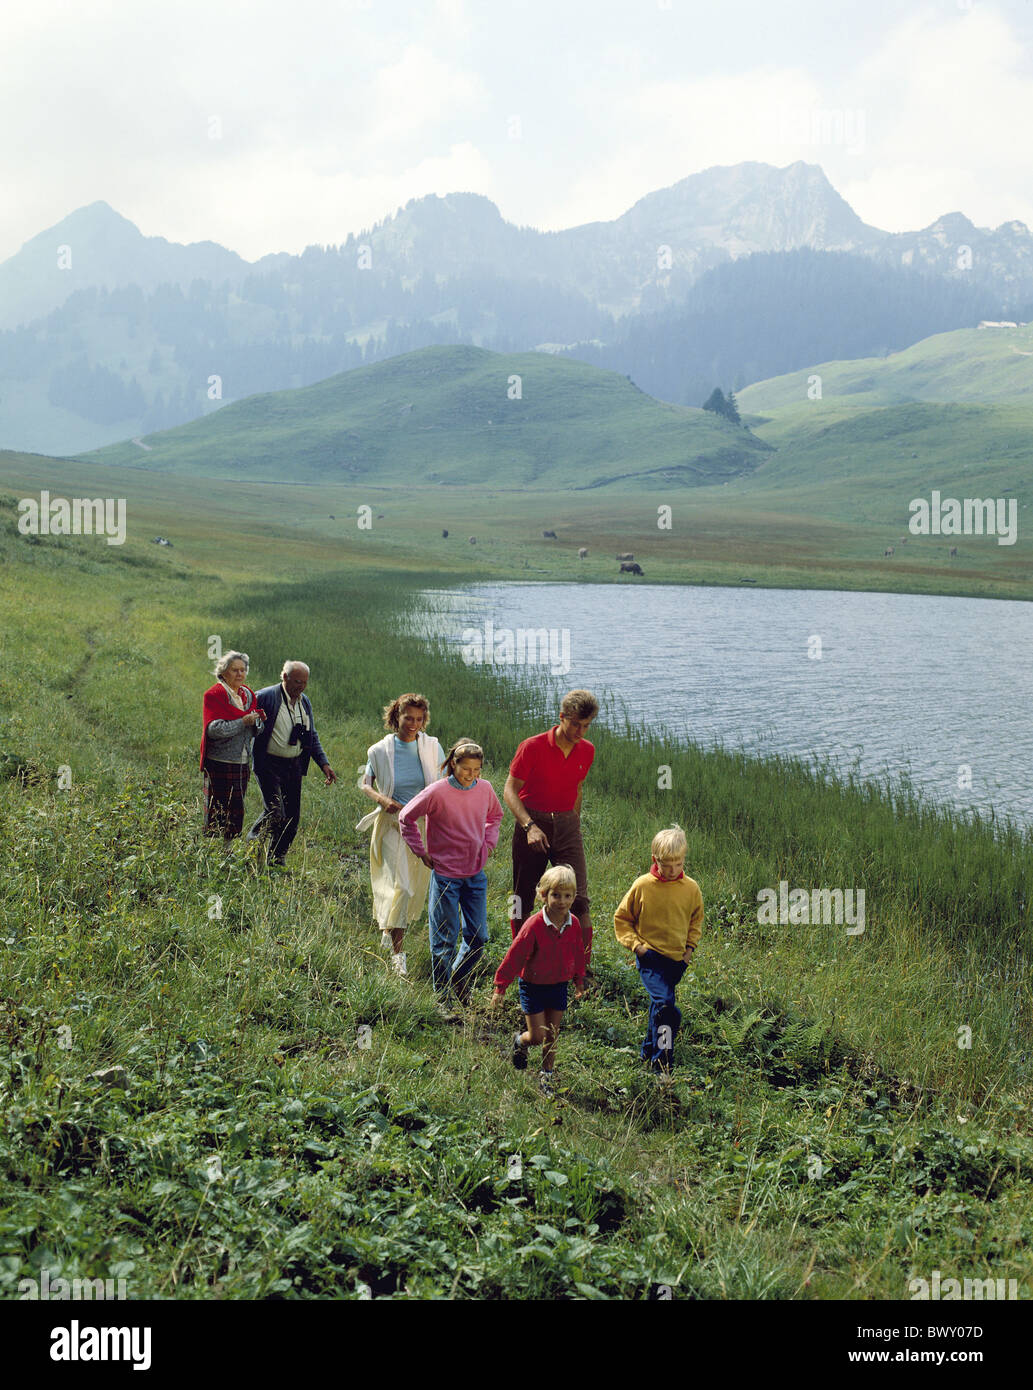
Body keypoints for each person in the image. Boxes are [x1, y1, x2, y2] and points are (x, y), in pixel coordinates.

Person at [398, 739, 503, 1014]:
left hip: (475, 875)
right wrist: (421, 851)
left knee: (479, 937)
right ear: (453, 764)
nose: (471, 775)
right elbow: (406, 817)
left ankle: (457, 977)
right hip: (445, 876)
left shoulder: (485, 789)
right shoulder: (438, 792)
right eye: (466, 769)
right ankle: (441, 999)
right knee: (445, 938)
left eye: (477, 769)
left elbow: (495, 816)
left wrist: (488, 844)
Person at [503, 690, 598, 963]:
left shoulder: (587, 750)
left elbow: (578, 788)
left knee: (578, 898)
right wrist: (529, 826)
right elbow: (510, 789)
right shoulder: (531, 746)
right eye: (576, 724)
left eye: (586, 725)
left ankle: (582, 970)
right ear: (562, 717)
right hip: (532, 822)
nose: (581, 731)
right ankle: (520, 962)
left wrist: (574, 823)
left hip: (567, 825)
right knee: (522, 896)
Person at [357, 694, 445, 977]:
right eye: (408, 718)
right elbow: (365, 783)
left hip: (422, 827)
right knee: (402, 886)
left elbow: (444, 782)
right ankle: (398, 955)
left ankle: (388, 926)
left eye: (419, 719)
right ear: (396, 716)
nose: (413, 724)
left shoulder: (431, 748)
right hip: (392, 824)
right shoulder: (380, 750)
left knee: (413, 888)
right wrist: (382, 800)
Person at [614, 825, 703, 1073]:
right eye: (667, 864)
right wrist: (638, 947)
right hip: (650, 957)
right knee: (667, 1008)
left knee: (660, 1007)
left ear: (684, 858)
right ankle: (662, 1062)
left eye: (678, 863)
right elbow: (622, 918)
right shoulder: (643, 885)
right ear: (655, 860)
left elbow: (696, 921)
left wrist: (689, 951)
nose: (673, 870)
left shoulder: (691, 888)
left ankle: (647, 1050)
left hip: (676, 960)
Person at [491, 864, 586, 1095]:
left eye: (567, 896)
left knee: (552, 1034)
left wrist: (579, 980)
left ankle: (547, 1075)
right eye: (555, 895)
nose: (561, 901)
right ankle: (520, 1041)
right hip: (533, 986)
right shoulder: (534, 925)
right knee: (538, 1035)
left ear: (573, 897)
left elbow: (577, 952)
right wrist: (500, 987)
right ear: (543, 895)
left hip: (558, 985)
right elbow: (515, 955)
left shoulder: (573, 924)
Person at [248, 660, 336, 866]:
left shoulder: (304, 702)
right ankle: (253, 845)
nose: (301, 686)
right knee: (275, 811)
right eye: (297, 681)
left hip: (294, 766)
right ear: (284, 677)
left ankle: (277, 859)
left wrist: (324, 764)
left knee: (292, 818)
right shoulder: (266, 697)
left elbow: (311, 735)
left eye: (305, 683)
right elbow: (248, 726)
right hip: (268, 764)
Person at [200, 651, 265, 841]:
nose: (239, 674)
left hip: (242, 761)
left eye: (242, 670)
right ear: (223, 672)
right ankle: (210, 853)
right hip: (219, 762)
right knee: (217, 810)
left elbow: (255, 729)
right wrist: (243, 722)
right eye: (234, 670)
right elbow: (214, 730)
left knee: (236, 810)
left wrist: (258, 723)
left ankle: (226, 853)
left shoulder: (247, 695)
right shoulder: (215, 695)